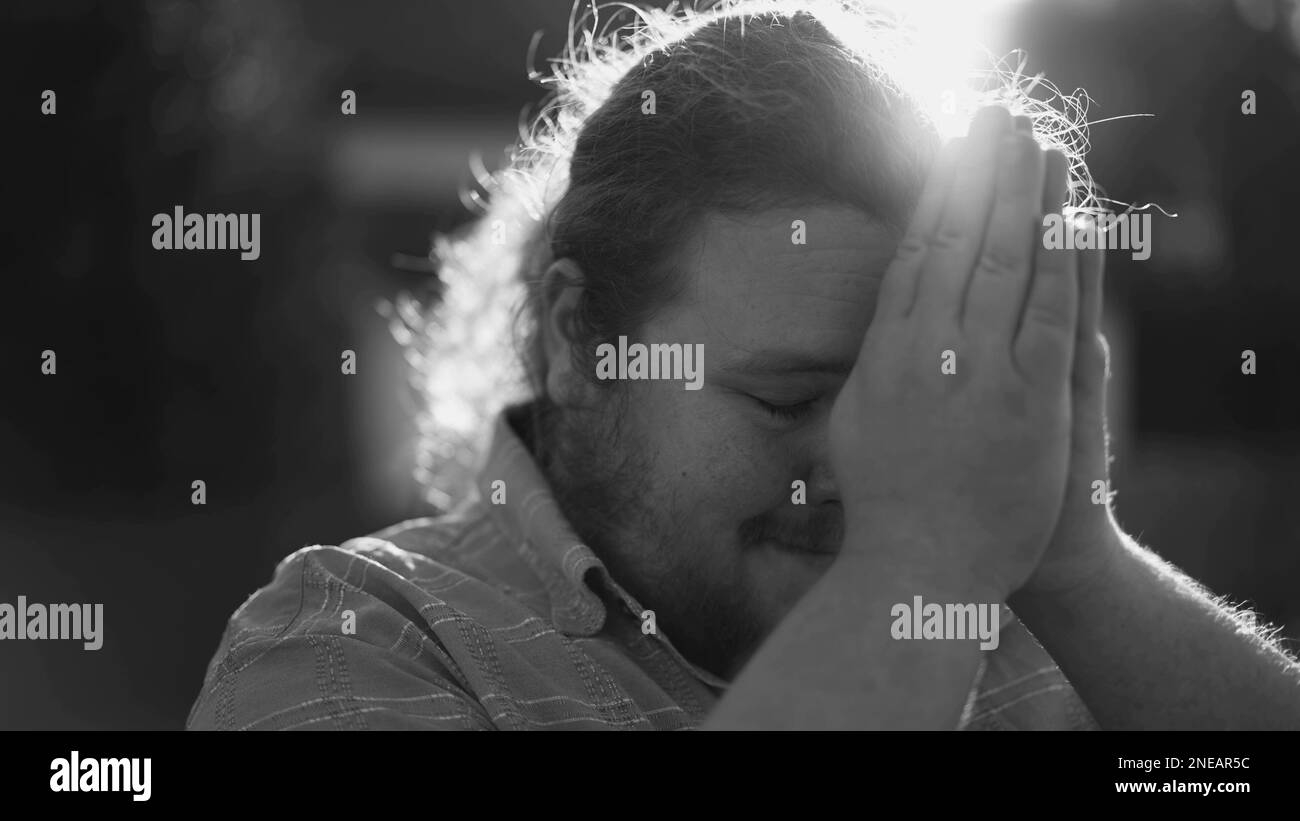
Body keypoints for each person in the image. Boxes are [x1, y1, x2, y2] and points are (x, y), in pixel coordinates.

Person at [188, 0, 1300, 730]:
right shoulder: (354, 637)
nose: (871, 458)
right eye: (789, 395)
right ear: (579, 342)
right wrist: (915, 560)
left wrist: (1074, 558)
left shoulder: (1015, 614)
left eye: (914, 390)